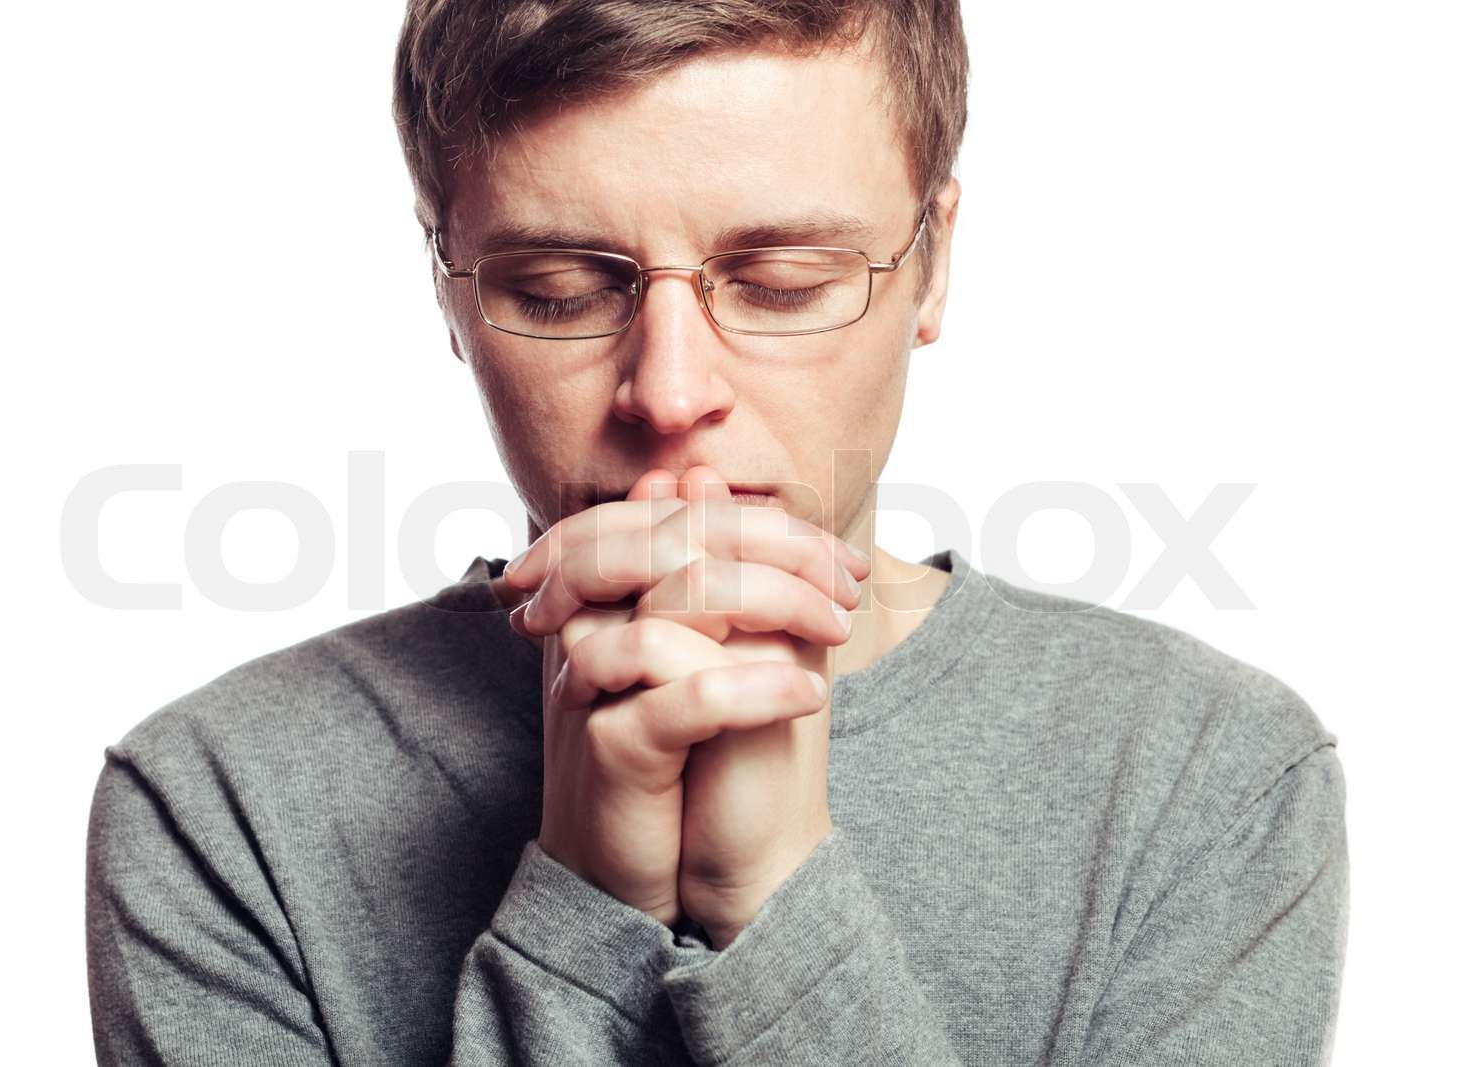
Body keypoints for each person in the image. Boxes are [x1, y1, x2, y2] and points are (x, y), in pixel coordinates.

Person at [84, 2, 1349, 1064]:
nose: (670, 390)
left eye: (783, 282)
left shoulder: (1209, 777)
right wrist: (582, 905)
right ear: (450, 292)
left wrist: (778, 902)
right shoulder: (217, 800)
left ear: (932, 266)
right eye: (560, 291)